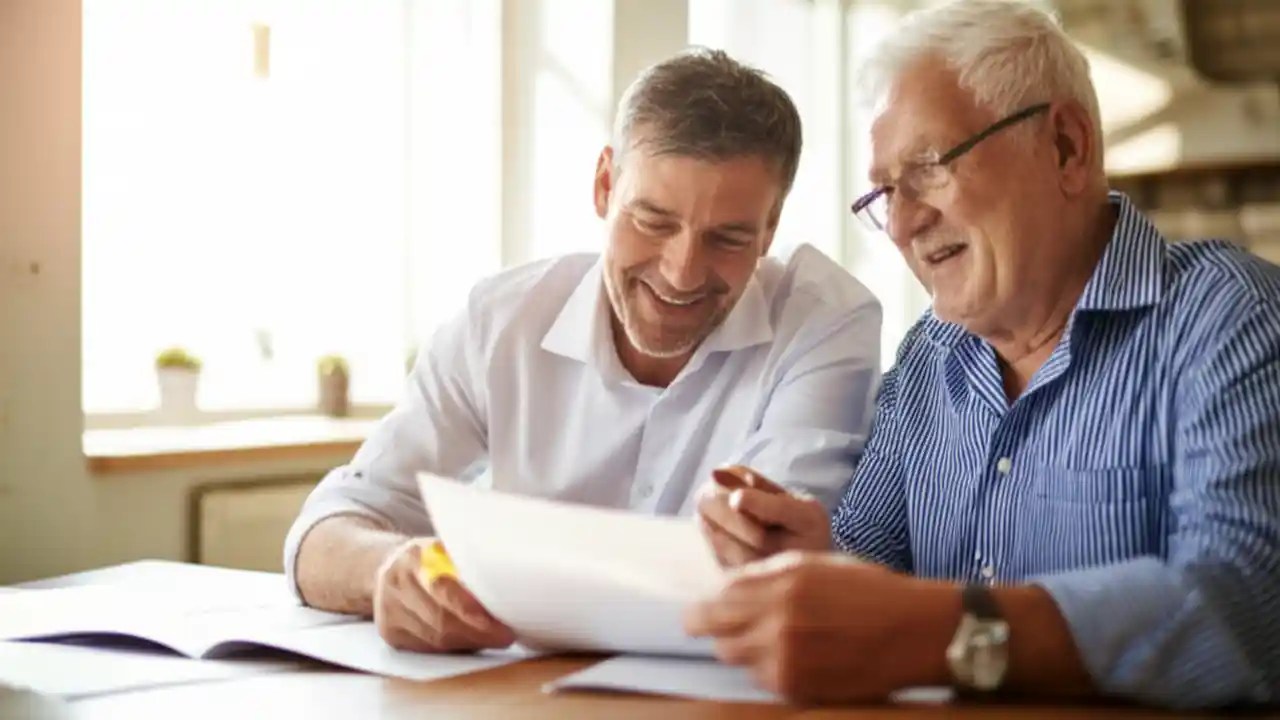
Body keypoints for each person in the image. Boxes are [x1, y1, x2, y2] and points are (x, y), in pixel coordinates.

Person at [689, 0, 1280, 709]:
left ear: (1065, 147)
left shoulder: (1233, 317)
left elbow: (1243, 606)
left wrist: (947, 630)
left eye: (930, 167)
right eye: (884, 191)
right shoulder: (927, 361)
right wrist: (808, 565)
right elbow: (875, 576)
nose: (903, 223)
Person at [285, 48, 882, 655]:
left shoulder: (821, 323)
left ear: (771, 227)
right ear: (604, 185)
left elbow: (766, 563)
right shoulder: (500, 321)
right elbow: (327, 527)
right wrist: (388, 570)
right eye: (653, 221)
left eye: (728, 238)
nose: (681, 273)